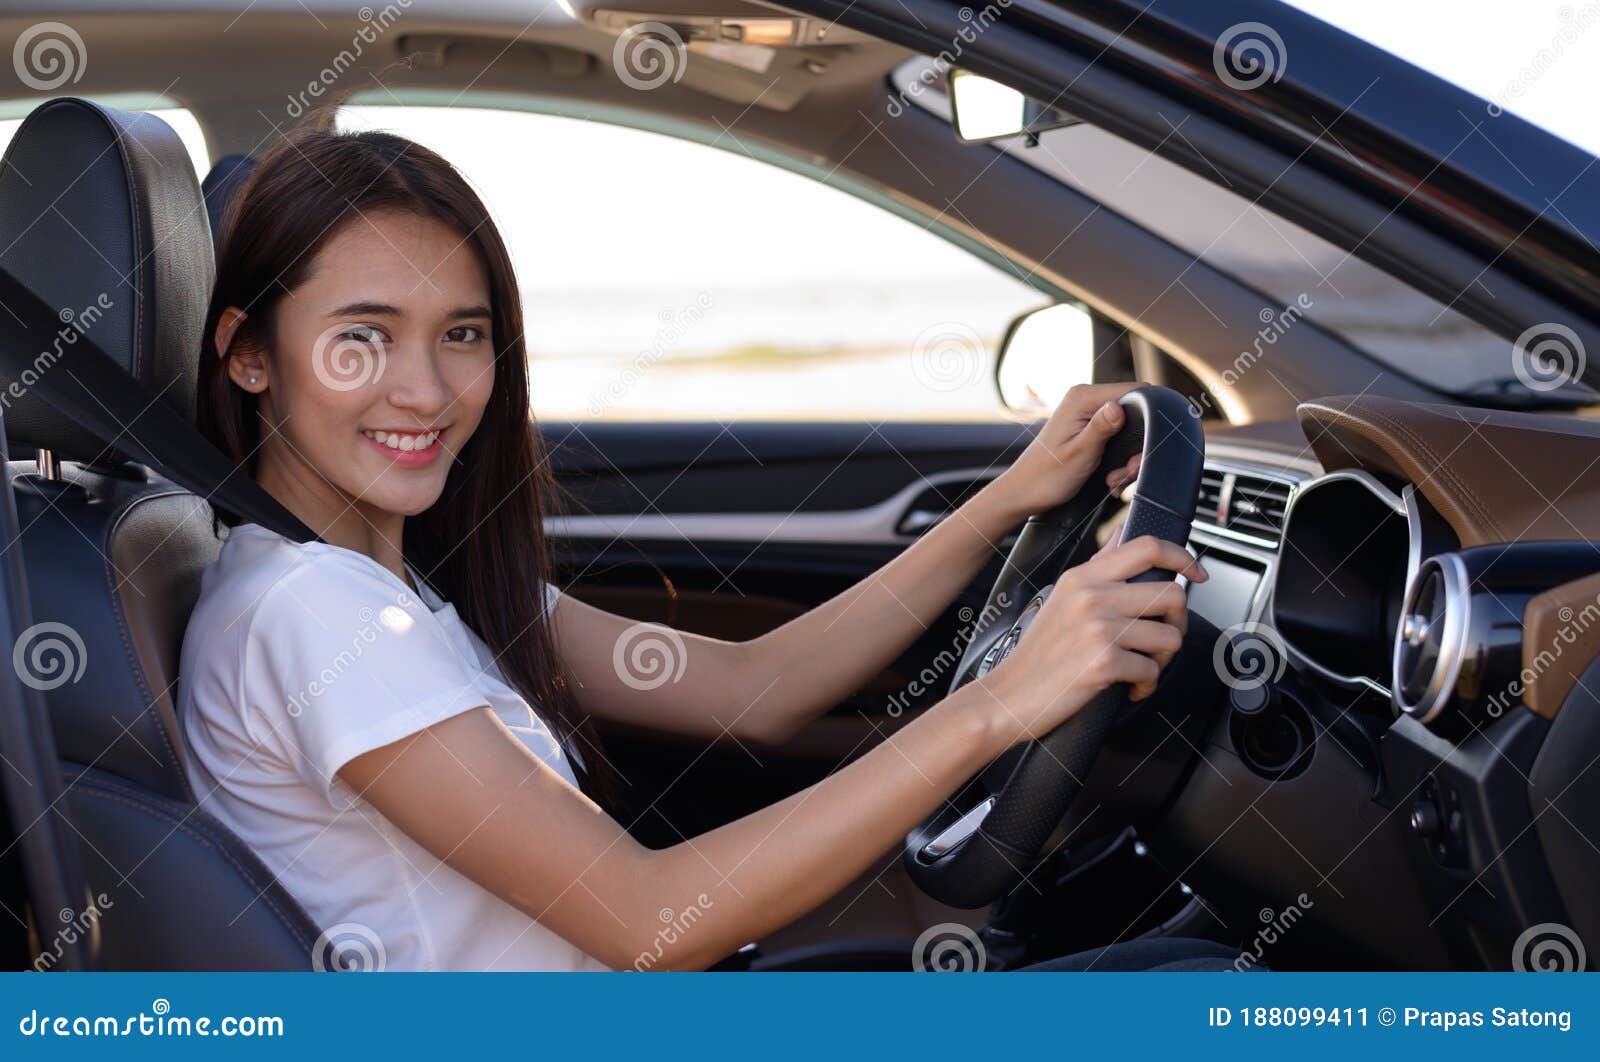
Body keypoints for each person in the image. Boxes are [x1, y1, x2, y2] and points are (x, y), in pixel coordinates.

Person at [179, 122, 1234, 972]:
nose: (427, 389)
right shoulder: (316, 614)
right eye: (361, 337)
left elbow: (752, 688)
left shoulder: (397, 586)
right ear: (249, 355)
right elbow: (650, 922)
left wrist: (1004, 500)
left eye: (460, 333)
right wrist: (1004, 701)